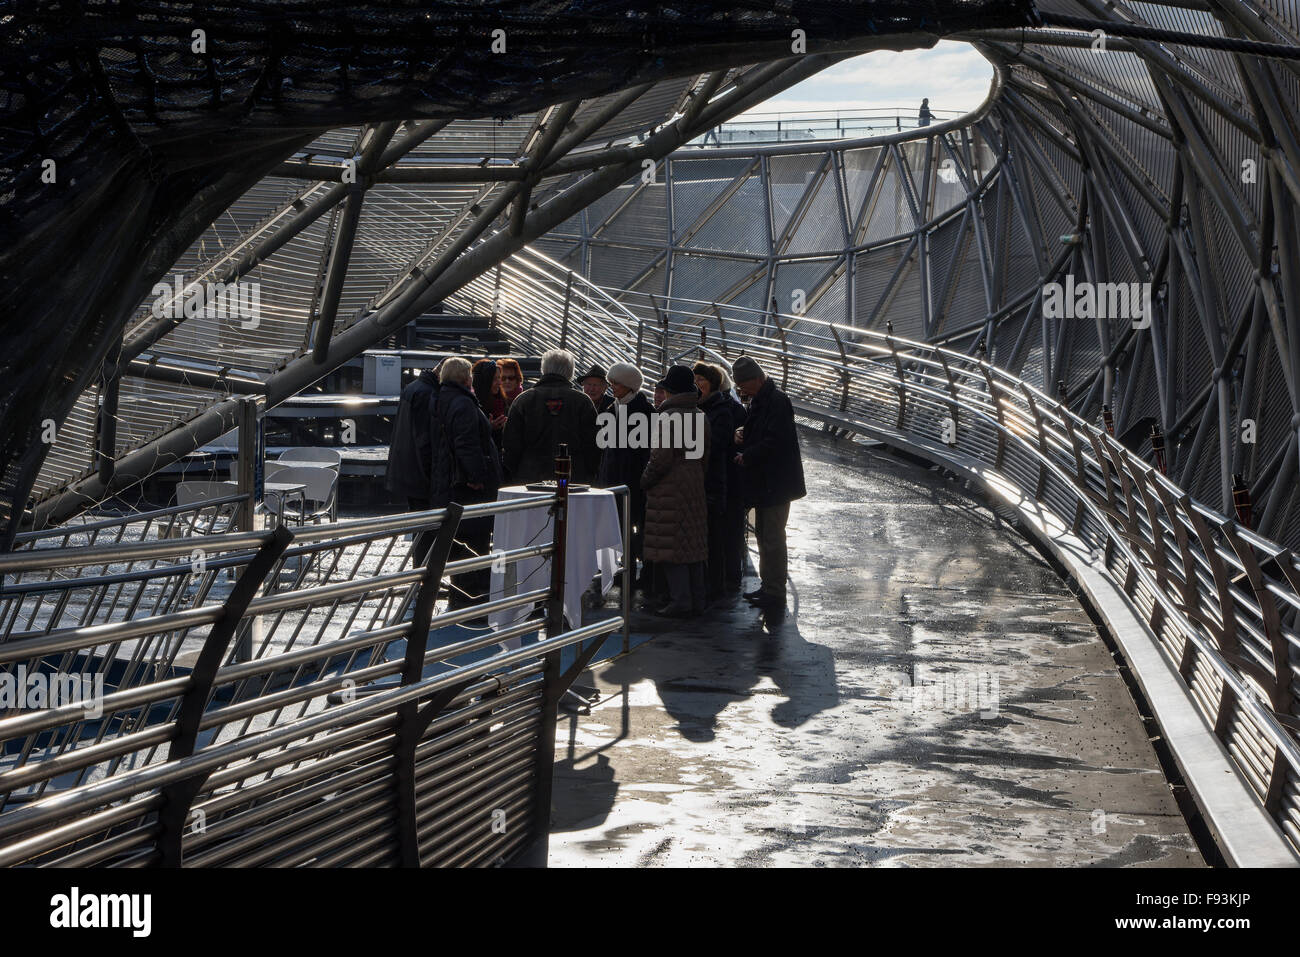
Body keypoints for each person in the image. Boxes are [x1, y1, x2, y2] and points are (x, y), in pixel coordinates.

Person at [731, 356, 805, 610]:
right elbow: (764, 433)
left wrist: (748, 455)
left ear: (757, 379)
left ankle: (775, 591)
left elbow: (776, 441)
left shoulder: (776, 402)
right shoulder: (761, 400)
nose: (741, 390)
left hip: (776, 483)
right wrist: (743, 432)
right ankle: (768, 586)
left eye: (744, 385)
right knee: (764, 535)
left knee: (772, 537)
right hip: (766, 482)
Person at [430, 357, 503, 610]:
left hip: (450, 483)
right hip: (467, 489)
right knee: (474, 541)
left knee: (461, 543)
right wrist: (477, 477)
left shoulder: (445, 398)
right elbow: (466, 444)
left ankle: (462, 594)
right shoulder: (463, 403)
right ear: (466, 377)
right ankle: (470, 597)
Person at [641, 364, 709, 617]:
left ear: (670, 392)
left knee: (671, 547)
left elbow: (660, 459)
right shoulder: (700, 415)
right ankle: (697, 599)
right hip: (694, 484)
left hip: (669, 488)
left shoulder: (667, 418)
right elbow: (705, 456)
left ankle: (680, 601)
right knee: (692, 545)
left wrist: (644, 480)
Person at [502, 348, 599, 484]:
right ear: (570, 371)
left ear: (544, 369)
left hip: (529, 477)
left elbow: (511, 444)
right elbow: (593, 444)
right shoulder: (582, 401)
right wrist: (589, 473)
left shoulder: (524, 400)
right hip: (573, 477)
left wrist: (517, 472)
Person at [597, 362, 653, 594]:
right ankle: (622, 572)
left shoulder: (644, 412)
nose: (612, 387)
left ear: (629, 386)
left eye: (616, 383)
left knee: (635, 527)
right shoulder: (613, 409)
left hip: (635, 481)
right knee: (618, 527)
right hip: (614, 480)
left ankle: (635, 574)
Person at [385, 361, 441, 561]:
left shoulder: (413, 387)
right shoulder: (428, 394)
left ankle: (421, 574)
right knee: (426, 528)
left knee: (420, 526)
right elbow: (424, 439)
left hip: (407, 468)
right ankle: (423, 576)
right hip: (419, 473)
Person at [693, 361, 736, 602]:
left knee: (714, 536)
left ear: (713, 384)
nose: (698, 385)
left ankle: (715, 586)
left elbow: (717, 445)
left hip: (712, 482)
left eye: (702, 380)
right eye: (695, 380)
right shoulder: (702, 409)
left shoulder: (720, 410)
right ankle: (706, 584)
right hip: (702, 481)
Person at [717, 364, 748, 592]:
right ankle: (732, 574)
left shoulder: (722, 411)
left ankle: (725, 575)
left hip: (726, 479)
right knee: (733, 529)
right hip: (735, 480)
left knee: (725, 527)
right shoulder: (739, 410)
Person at [471, 358, 508, 448]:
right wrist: (489, 428)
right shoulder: (473, 405)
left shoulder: (502, 401)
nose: (499, 382)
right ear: (484, 382)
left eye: (499, 378)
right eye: (494, 379)